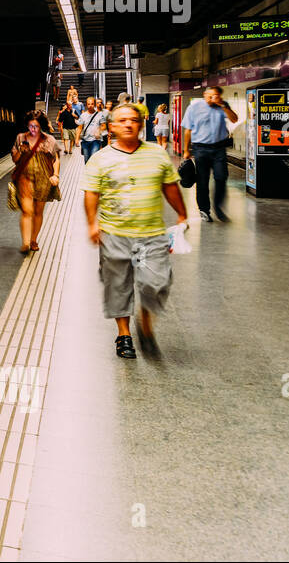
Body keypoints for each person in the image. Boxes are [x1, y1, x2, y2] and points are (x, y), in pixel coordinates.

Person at [83, 104, 188, 359]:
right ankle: (124, 335)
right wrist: (92, 223)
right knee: (118, 285)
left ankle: (146, 322)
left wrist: (182, 214)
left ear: (141, 124)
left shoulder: (157, 154)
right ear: (112, 127)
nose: (129, 124)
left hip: (152, 233)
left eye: (133, 120)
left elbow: (170, 187)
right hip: (114, 232)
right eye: (122, 120)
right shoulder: (100, 158)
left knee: (157, 282)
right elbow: (91, 193)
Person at [181, 85, 238, 222]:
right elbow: (188, 130)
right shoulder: (194, 107)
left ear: (219, 96)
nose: (211, 98)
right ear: (205, 94)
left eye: (215, 96)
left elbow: (234, 119)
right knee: (202, 180)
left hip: (219, 149)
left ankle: (218, 207)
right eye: (209, 95)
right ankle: (204, 210)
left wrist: (222, 105)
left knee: (221, 177)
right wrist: (186, 150)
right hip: (201, 149)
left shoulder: (223, 106)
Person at [10, 110, 61, 254]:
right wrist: (21, 151)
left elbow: (55, 159)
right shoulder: (20, 138)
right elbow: (15, 160)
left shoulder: (49, 140)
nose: (33, 129)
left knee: (38, 211)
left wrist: (56, 175)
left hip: (43, 178)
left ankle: (33, 239)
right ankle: (25, 242)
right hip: (24, 177)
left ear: (42, 126)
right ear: (27, 125)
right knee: (27, 210)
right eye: (31, 126)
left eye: (36, 126)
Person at [77, 98, 107, 162]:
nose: (90, 105)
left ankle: (94, 171)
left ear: (95, 105)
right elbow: (80, 128)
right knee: (87, 160)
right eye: (88, 104)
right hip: (85, 140)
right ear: (86, 105)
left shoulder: (100, 115)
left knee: (93, 158)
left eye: (92, 104)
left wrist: (99, 130)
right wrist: (77, 139)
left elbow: (104, 125)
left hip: (96, 140)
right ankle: (88, 171)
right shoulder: (83, 115)